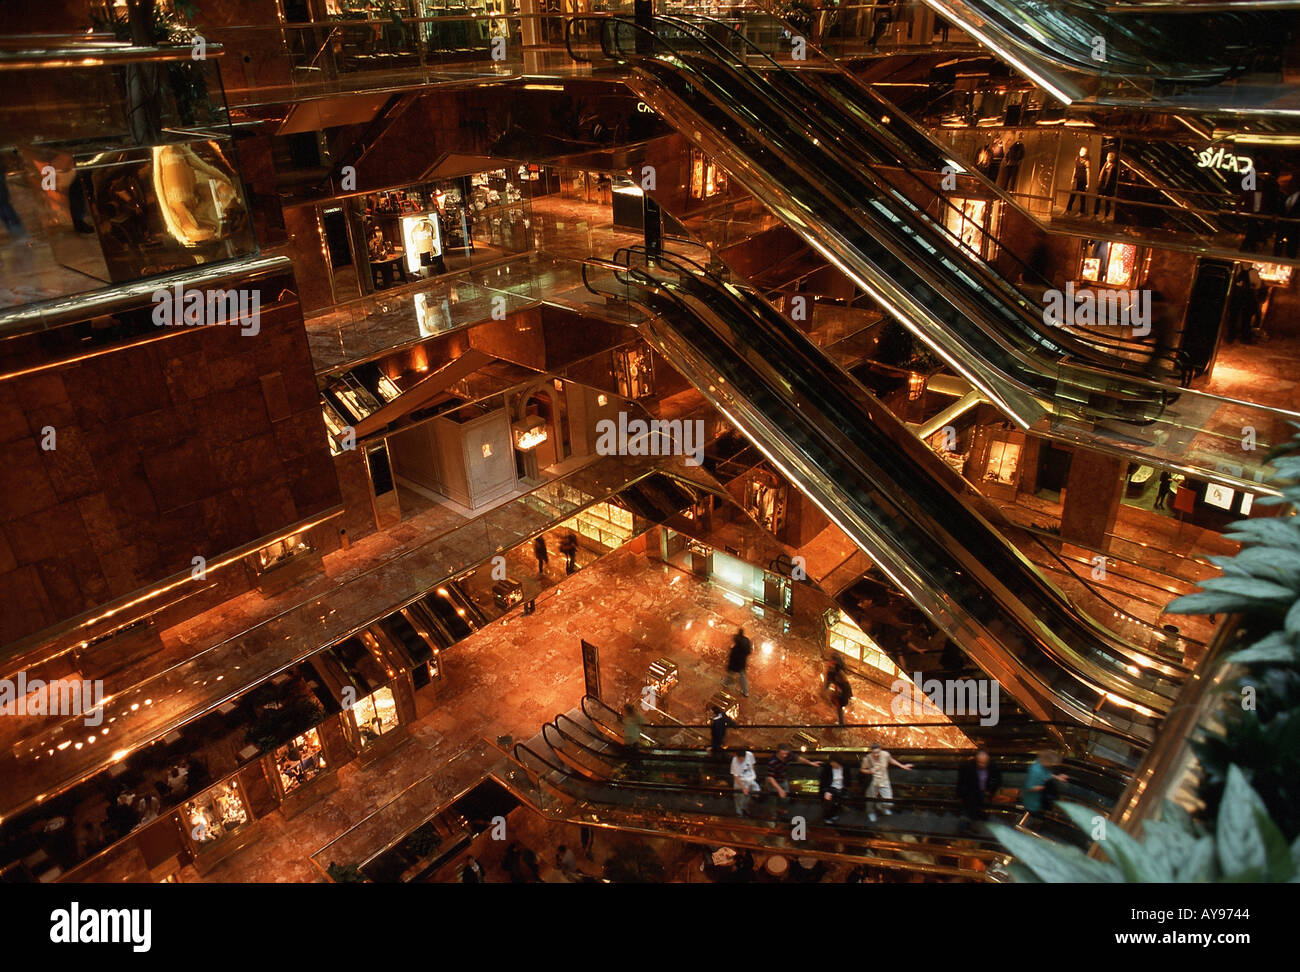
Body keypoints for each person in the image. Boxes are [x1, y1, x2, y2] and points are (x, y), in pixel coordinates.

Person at [861, 742, 913, 820]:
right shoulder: (867, 758)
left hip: (884, 781)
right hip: (873, 782)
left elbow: (891, 760)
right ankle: (870, 812)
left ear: (880, 750)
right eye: (874, 753)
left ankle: (881, 807)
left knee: (889, 802)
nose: (876, 754)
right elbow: (862, 769)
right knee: (870, 800)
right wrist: (870, 771)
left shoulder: (885, 754)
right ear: (871, 752)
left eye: (878, 752)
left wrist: (902, 766)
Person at [956, 749, 1002, 831]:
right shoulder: (967, 767)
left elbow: (997, 780)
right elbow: (961, 782)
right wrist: (960, 795)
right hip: (970, 794)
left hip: (983, 793)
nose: (982, 765)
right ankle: (964, 828)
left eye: (984, 763)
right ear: (976, 760)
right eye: (980, 762)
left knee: (975, 811)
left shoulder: (992, 766)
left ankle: (970, 826)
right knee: (968, 811)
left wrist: (990, 791)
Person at [1023, 750, 1068, 823]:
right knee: (1034, 818)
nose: (1052, 765)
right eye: (1052, 763)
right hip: (1033, 803)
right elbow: (1029, 787)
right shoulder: (1035, 770)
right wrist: (1044, 787)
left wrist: (1058, 777)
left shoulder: (1042, 764)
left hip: (1040, 801)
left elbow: (1046, 774)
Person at [722, 627, 752, 697]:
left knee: (731, 673)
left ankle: (726, 682)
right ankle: (745, 691)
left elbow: (732, 656)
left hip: (736, 663)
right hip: (742, 662)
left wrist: (731, 650)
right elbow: (748, 651)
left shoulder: (737, 648)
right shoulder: (746, 641)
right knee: (742, 676)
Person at [731, 748, 760, 816]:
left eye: (742, 759)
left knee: (747, 797)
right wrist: (743, 787)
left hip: (749, 779)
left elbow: (752, 766)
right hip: (739, 782)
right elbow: (736, 776)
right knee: (738, 797)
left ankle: (745, 809)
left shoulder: (750, 755)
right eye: (739, 759)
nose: (741, 761)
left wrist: (753, 776)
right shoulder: (734, 760)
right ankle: (739, 813)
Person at [819, 756, 849, 824]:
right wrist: (826, 791)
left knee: (839, 798)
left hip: (841, 788)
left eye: (833, 762)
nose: (832, 764)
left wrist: (845, 788)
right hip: (830, 788)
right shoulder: (828, 768)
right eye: (831, 762)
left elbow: (847, 780)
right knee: (829, 798)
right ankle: (827, 817)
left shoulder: (845, 768)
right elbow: (823, 782)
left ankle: (835, 813)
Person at [1067, 146, 1091, 215]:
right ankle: (1068, 210)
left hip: (1082, 181)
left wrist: (1088, 184)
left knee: (1082, 197)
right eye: (1081, 151)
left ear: (1086, 153)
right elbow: (1075, 169)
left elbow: (1088, 173)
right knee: (1072, 195)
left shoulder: (1087, 162)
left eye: (1084, 151)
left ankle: (1081, 212)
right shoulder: (1077, 159)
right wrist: (1072, 178)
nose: (1082, 152)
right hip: (1076, 179)